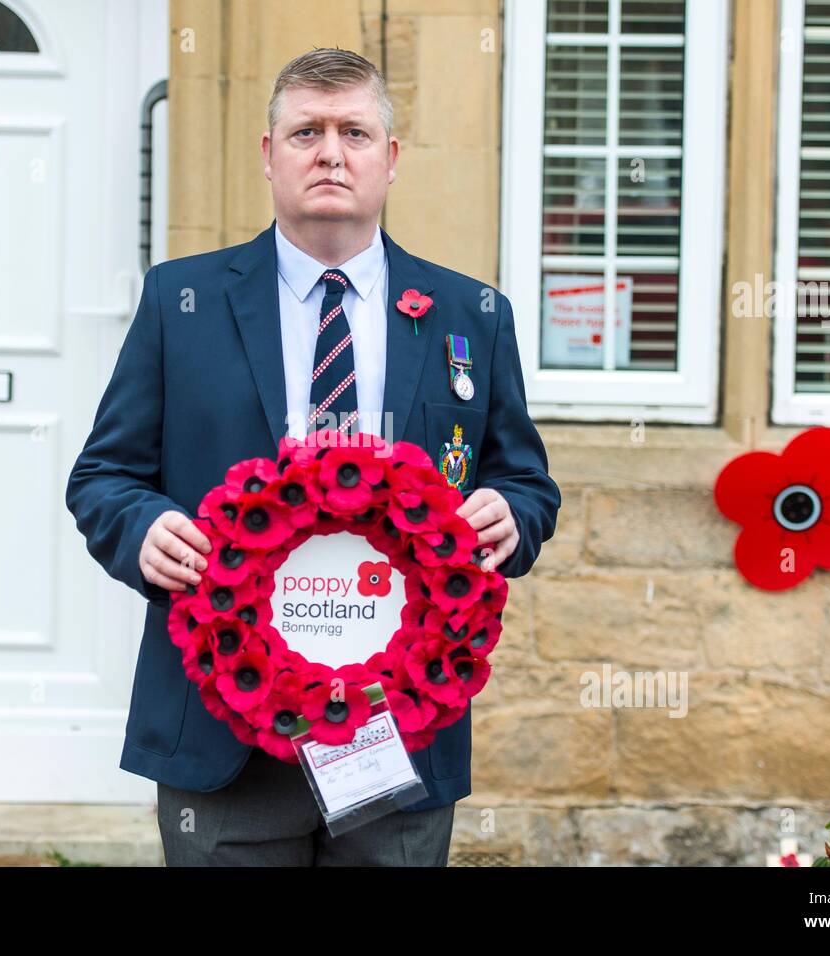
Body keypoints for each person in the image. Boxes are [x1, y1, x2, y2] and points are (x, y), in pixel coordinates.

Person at [65, 47, 560, 866]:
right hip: (225, 735)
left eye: (354, 132)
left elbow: (525, 480)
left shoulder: (471, 313)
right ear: (268, 155)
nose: (331, 152)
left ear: (389, 160)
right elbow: (104, 477)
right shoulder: (179, 303)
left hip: (397, 735)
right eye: (306, 132)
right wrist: (144, 526)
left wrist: (512, 514)